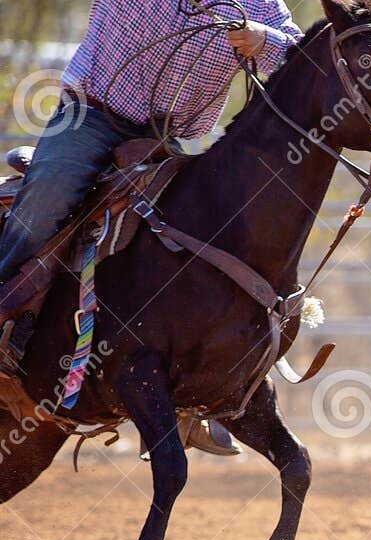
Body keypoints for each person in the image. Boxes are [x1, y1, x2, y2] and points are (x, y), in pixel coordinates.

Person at [0, 0, 301, 455]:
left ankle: (192, 392)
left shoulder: (257, 3)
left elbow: (298, 56)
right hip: (91, 118)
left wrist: (263, 40)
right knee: (49, 196)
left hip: (166, 139)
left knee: (202, 237)